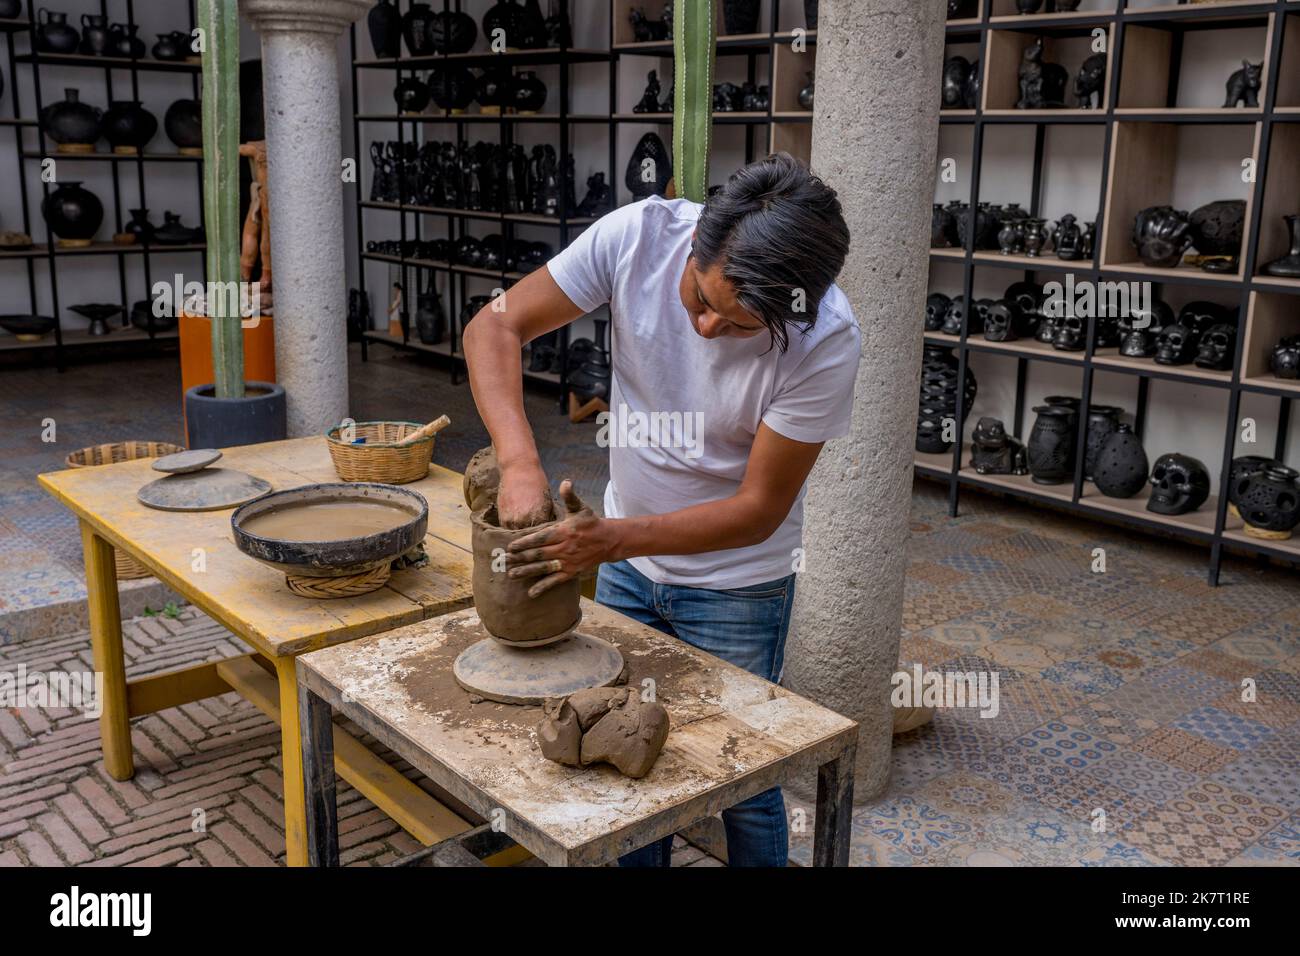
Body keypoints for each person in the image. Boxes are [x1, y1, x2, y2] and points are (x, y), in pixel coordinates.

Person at [462, 152, 858, 867]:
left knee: (741, 773)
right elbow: (493, 326)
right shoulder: (637, 239)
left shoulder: (825, 338)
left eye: (739, 326)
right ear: (696, 241)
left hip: (738, 584)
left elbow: (759, 509)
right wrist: (519, 459)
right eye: (699, 299)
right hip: (624, 569)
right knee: (625, 755)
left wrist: (610, 540)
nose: (706, 330)